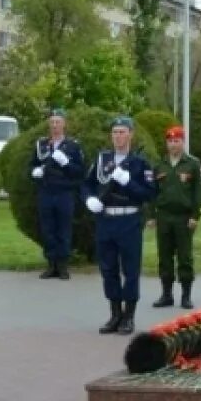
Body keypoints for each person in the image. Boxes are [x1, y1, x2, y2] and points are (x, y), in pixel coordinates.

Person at [82, 116, 157, 335]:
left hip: (129, 220)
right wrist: (89, 200)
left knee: (130, 269)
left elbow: (149, 194)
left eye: (123, 132)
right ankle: (115, 314)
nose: (118, 136)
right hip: (106, 219)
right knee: (108, 269)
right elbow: (86, 185)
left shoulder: (139, 163)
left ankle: (129, 316)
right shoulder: (102, 159)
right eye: (115, 132)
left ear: (131, 134)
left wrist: (128, 182)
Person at [149, 126, 201, 309]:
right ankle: (166, 294)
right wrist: (151, 215)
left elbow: (200, 192)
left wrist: (196, 215)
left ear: (183, 142)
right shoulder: (159, 165)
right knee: (164, 257)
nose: (173, 145)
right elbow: (152, 193)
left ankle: (186, 295)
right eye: (170, 141)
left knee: (185, 257)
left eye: (177, 141)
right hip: (164, 217)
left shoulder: (193, 164)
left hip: (184, 218)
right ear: (166, 143)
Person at [29, 108, 84, 280]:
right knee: (48, 229)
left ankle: (62, 265)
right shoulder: (42, 144)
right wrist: (35, 171)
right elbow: (32, 165)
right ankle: (51, 264)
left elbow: (79, 171)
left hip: (64, 193)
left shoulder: (73, 146)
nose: (54, 126)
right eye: (52, 122)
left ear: (64, 124)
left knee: (63, 229)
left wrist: (66, 163)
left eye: (58, 122)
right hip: (46, 192)